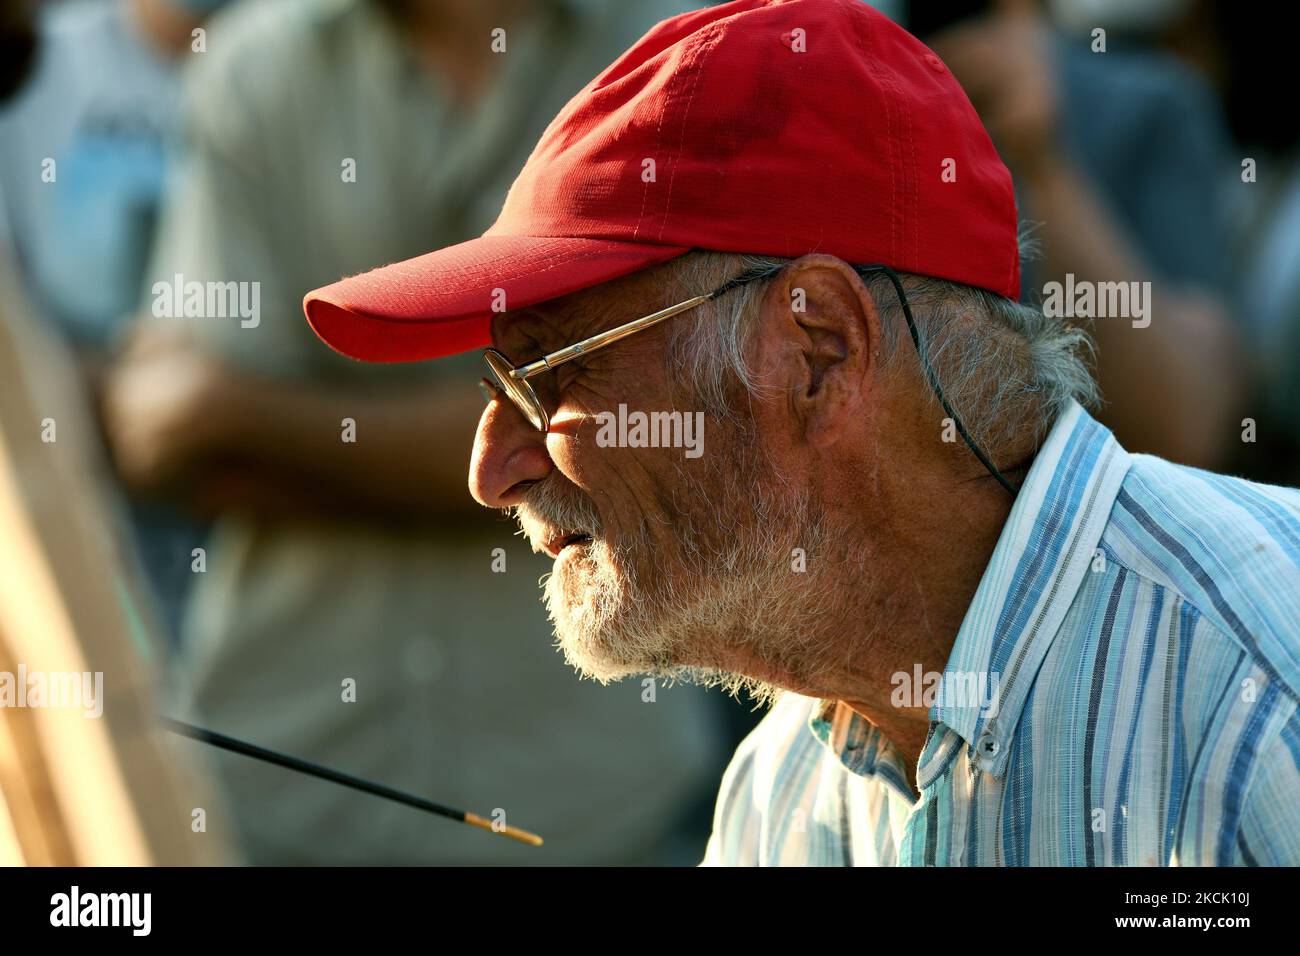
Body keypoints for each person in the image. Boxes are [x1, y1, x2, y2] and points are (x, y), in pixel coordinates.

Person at [303, 0, 1300, 866]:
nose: (492, 469)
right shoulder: (784, 786)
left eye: (551, 375)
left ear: (817, 347)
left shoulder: (1256, 699)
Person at [105, 0, 725, 864]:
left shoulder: (680, 58)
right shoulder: (256, 65)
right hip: (289, 788)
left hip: (590, 804)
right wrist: (555, 434)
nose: (488, 469)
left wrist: (249, 416)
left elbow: (676, 431)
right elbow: (170, 444)